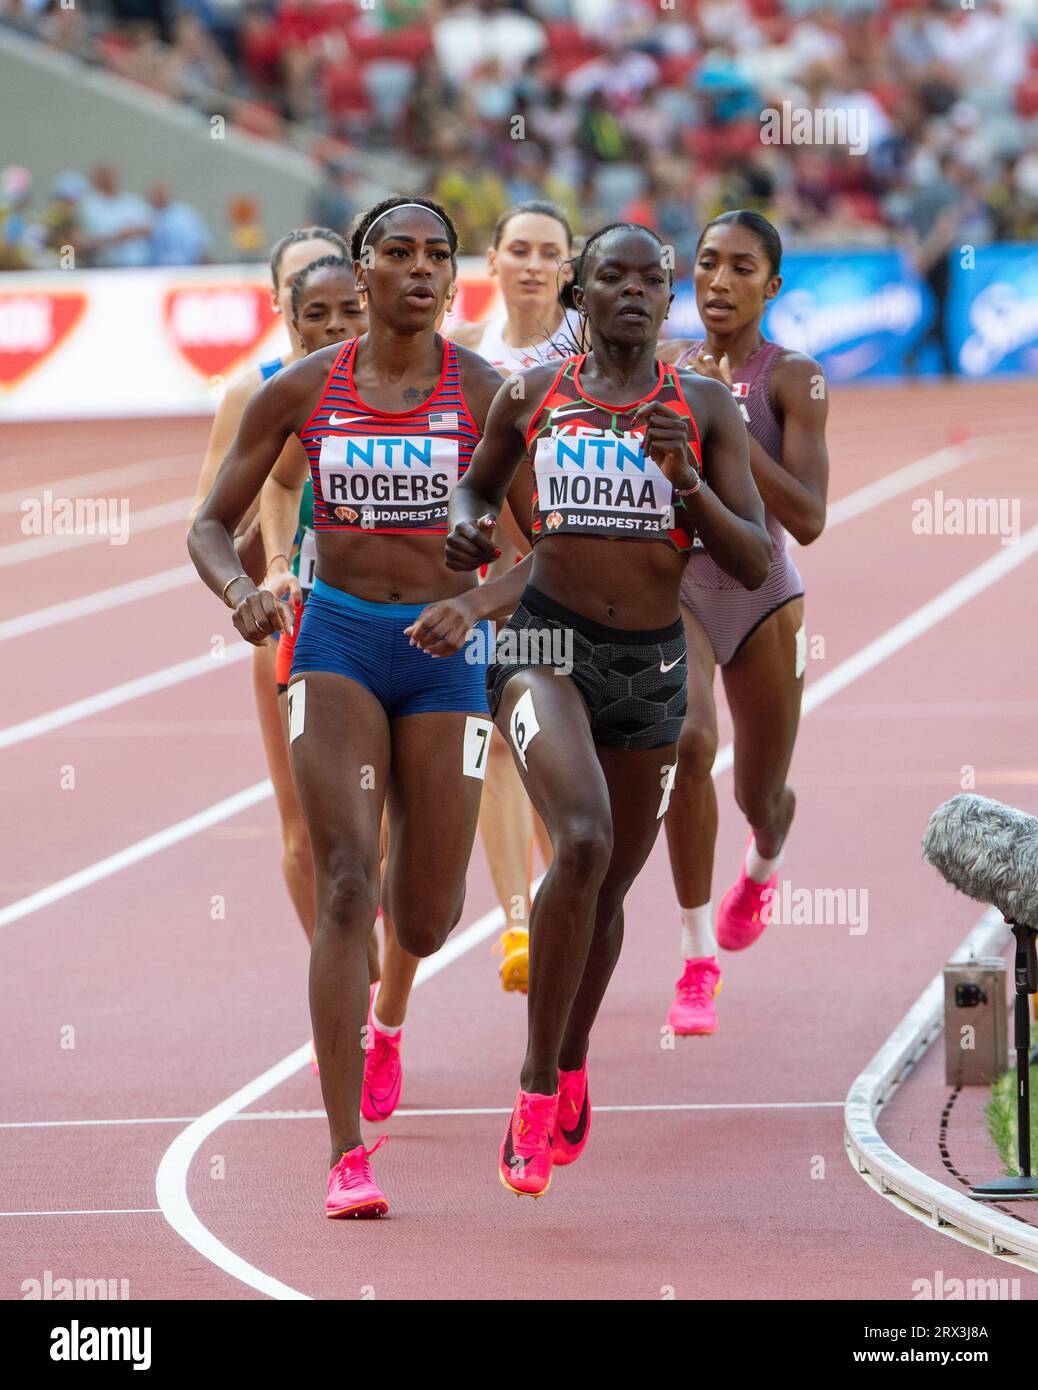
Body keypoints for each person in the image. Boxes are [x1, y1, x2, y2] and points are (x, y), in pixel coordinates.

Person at [413, 221, 771, 1198]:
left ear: (666, 298)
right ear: (582, 291)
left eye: (647, 280)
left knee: (605, 895)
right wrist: (465, 535)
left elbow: (753, 559)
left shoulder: (703, 407)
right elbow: (474, 490)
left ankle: (571, 1061)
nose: (628, 293)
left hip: (648, 663)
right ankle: (533, 1092)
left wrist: (689, 481)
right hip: (540, 646)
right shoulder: (534, 394)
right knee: (578, 839)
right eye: (607, 276)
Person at [188, 196, 506, 1219]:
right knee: (342, 886)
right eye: (398, 252)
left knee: (428, 911)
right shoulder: (299, 390)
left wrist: (476, 599)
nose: (419, 269)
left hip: (441, 652)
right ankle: (345, 1153)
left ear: (453, 278)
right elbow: (207, 523)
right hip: (333, 642)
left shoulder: (489, 391)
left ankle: (391, 1000)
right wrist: (245, 596)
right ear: (360, 269)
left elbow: (549, 546)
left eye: (437, 256)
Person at [188, 227, 378, 1013]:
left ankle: (385, 982)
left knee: (384, 831)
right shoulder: (255, 393)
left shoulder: (397, 381)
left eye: (343, 301)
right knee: (304, 830)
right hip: (289, 620)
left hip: (383, 615)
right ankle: (349, 994)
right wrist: (269, 557)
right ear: (282, 305)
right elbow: (214, 526)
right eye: (306, 292)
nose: (328, 319)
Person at [656, 210, 829, 1036]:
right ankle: (696, 960)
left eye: (741, 268)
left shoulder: (794, 378)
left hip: (763, 596)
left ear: (773, 285)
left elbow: (808, 515)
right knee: (689, 745)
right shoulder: (661, 369)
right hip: (682, 589)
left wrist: (723, 423)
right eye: (708, 263)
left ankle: (762, 868)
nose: (719, 281)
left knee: (760, 791)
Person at [448, 199, 585, 991]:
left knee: (553, 750)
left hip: (563, 574)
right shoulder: (461, 352)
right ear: (492, 263)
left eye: (548, 253)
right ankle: (518, 925)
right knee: (499, 741)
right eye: (519, 250)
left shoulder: (591, 355)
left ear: (566, 270)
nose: (533, 265)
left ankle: (563, 899)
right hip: (483, 579)